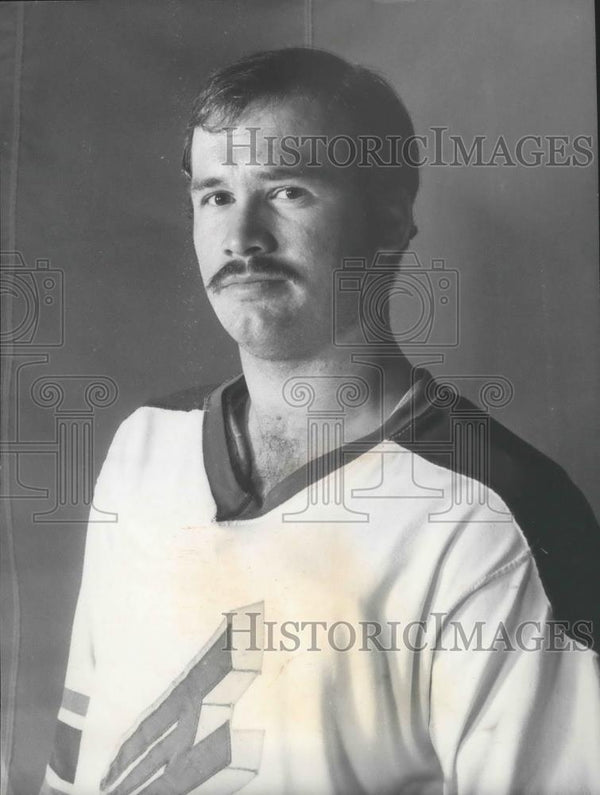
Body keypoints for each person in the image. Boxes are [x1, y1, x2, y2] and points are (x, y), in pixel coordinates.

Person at [41, 48, 599, 795]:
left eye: (289, 190)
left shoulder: (499, 518)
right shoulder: (143, 444)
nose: (242, 237)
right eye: (214, 196)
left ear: (391, 221)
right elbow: (77, 762)